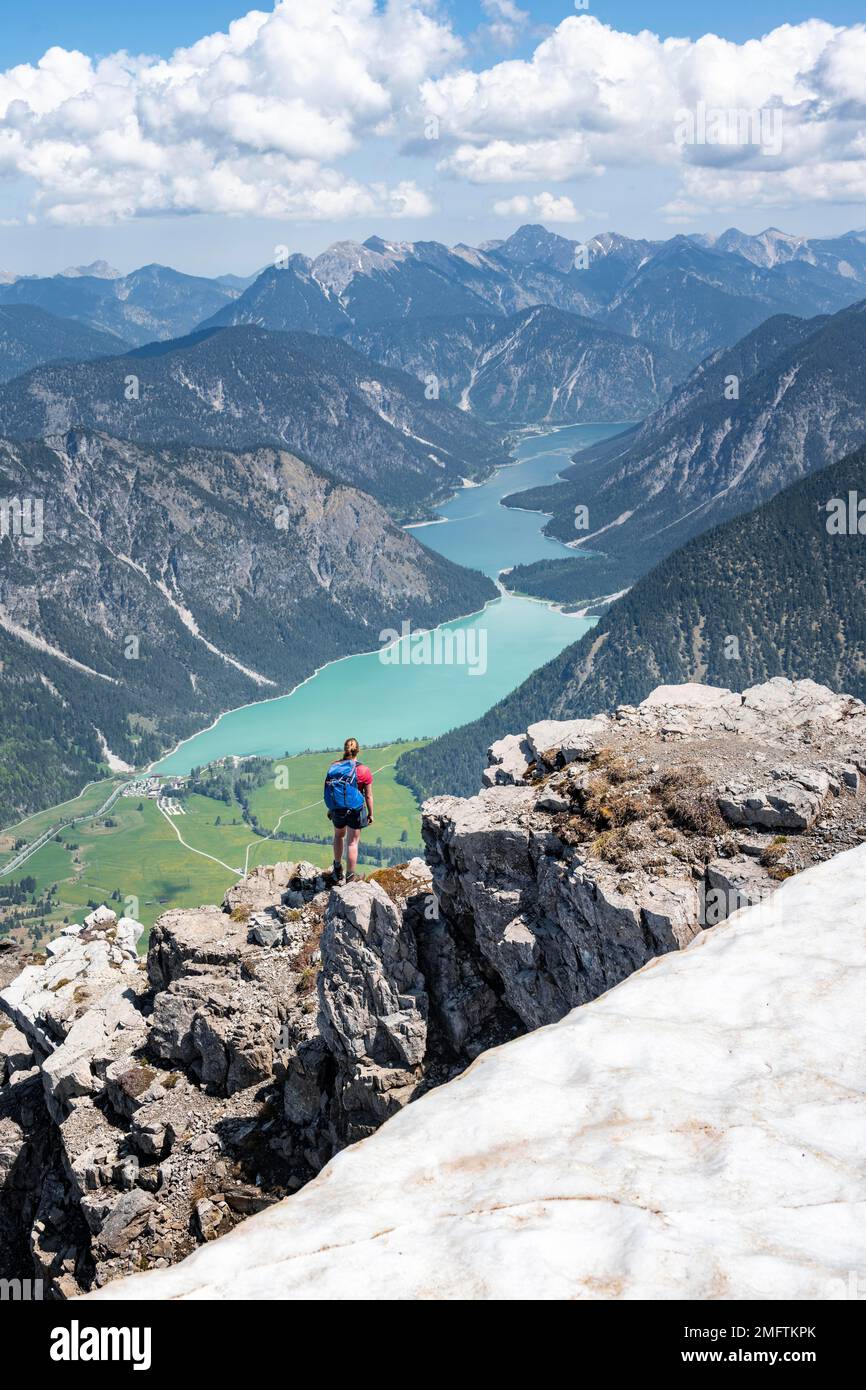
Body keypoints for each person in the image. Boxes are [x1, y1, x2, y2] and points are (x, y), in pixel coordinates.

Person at [324, 737, 374, 883]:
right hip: (355, 810)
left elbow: (331, 790)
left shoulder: (334, 766)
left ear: (344, 750)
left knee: (339, 836)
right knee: (352, 843)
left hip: (337, 808)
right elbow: (368, 795)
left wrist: (331, 809)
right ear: (358, 750)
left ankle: (337, 869)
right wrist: (371, 814)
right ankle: (351, 877)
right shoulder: (363, 770)